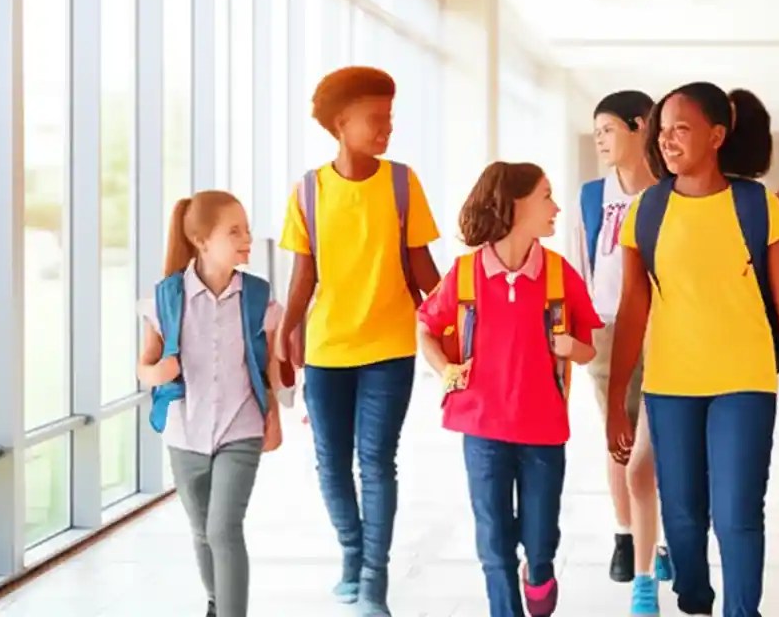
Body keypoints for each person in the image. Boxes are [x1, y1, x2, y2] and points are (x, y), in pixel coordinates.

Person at [607, 82, 779, 617]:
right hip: (670, 385)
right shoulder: (646, 212)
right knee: (681, 515)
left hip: (744, 383)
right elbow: (633, 313)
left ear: (716, 135)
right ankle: (695, 601)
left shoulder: (756, 206)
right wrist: (615, 402)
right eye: (663, 130)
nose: (667, 140)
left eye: (682, 129)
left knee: (737, 514)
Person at [277, 67, 441, 616]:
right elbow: (304, 277)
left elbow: (422, 270)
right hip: (327, 351)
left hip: (391, 348)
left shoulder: (401, 182)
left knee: (376, 461)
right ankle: (353, 551)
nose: (385, 129)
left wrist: (454, 330)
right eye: (375, 119)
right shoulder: (308, 190)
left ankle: (374, 577)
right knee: (330, 463)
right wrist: (283, 336)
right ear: (341, 123)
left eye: (389, 119)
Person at [417, 162, 602, 617]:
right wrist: (445, 368)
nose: (556, 207)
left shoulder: (559, 275)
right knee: (494, 540)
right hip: (481, 428)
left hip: (542, 429)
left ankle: (539, 575)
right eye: (545, 196)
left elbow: (588, 351)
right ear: (513, 205)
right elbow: (425, 325)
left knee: (540, 541)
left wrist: (571, 346)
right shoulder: (464, 275)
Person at [137, 191, 288, 617]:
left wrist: (275, 415)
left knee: (224, 529)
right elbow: (144, 368)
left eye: (247, 229)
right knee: (202, 531)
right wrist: (159, 372)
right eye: (234, 231)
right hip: (184, 432)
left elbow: (269, 366)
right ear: (202, 240)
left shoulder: (257, 297)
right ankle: (217, 603)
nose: (247, 238)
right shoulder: (166, 298)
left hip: (241, 427)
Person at [569, 90, 674, 612]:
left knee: (667, 437)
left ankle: (663, 536)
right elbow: (579, 267)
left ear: (641, 126)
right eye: (596, 133)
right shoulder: (591, 197)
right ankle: (625, 535)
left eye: (608, 129)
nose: (601, 141)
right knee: (620, 438)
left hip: (669, 328)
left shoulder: (672, 192)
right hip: (608, 329)